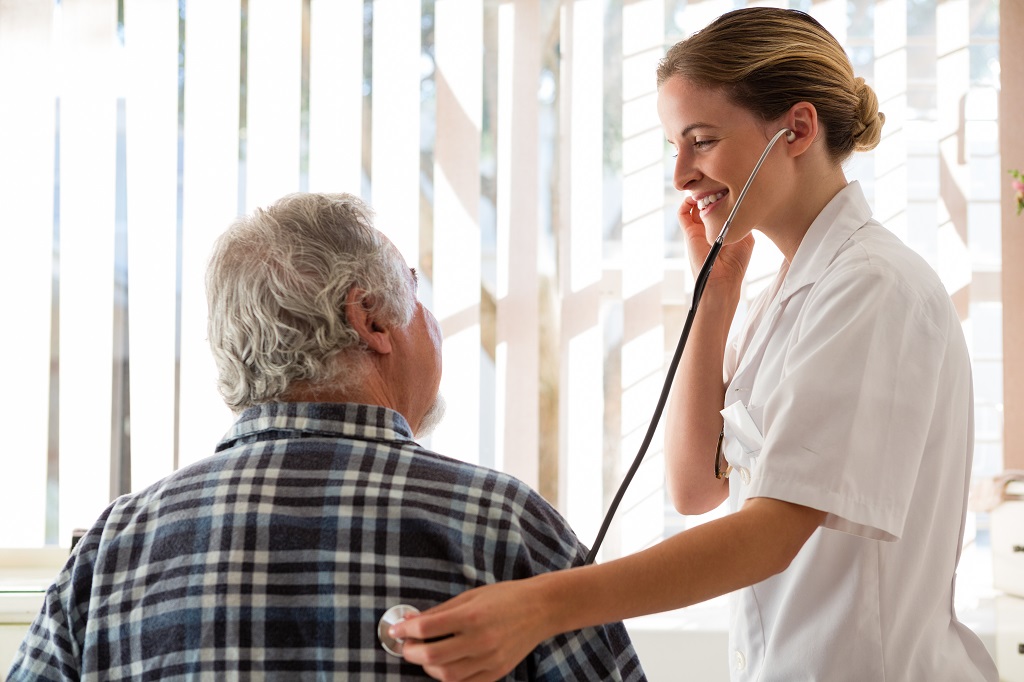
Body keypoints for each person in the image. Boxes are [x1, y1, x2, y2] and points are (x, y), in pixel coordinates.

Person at [391, 8, 999, 682]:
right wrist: (713, 301)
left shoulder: (871, 288)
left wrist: (539, 606)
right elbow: (695, 488)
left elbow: (771, 532)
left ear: (795, 129)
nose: (681, 174)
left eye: (701, 140)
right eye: (673, 147)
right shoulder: (789, 296)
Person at [7, 193, 646, 682]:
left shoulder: (114, 547)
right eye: (417, 297)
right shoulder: (502, 526)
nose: (435, 324)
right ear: (370, 318)